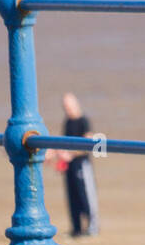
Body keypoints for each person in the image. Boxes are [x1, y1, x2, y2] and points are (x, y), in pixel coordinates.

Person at [43, 92, 101, 237]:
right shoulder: (67, 122)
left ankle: (92, 227)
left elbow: (89, 144)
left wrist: (71, 153)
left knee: (86, 195)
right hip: (69, 166)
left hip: (82, 164)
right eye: (65, 107)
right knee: (72, 197)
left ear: (76, 104)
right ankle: (76, 229)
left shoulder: (84, 121)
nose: (67, 109)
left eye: (69, 106)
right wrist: (54, 154)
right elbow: (64, 142)